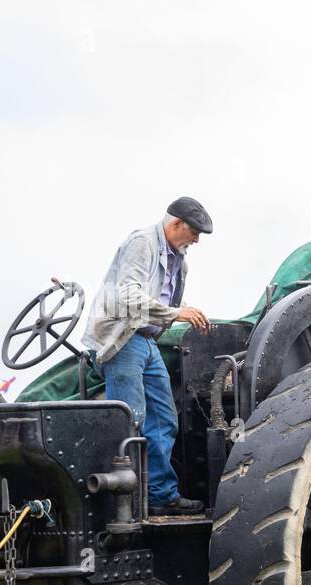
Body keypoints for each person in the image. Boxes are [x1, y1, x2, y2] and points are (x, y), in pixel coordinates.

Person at [81, 197, 213, 515]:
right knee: (132, 420)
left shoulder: (178, 259)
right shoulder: (142, 243)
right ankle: (127, 503)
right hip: (124, 338)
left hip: (147, 339)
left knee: (164, 419)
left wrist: (171, 315)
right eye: (194, 232)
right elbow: (128, 295)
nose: (196, 240)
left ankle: (160, 494)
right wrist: (177, 313)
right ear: (176, 224)